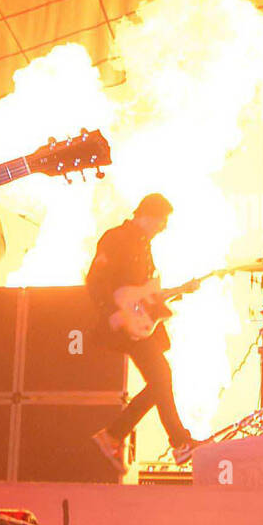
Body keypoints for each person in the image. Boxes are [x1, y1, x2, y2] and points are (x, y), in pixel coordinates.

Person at [85, 194, 196, 470]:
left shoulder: (145, 246)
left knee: (160, 380)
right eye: (162, 221)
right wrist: (111, 312)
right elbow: (95, 280)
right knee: (162, 377)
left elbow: (144, 292)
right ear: (148, 215)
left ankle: (113, 435)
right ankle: (179, 443)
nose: (164, 227)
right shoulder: (116, 238)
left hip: (138, 324)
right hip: (123, 325)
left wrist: (175, 293)